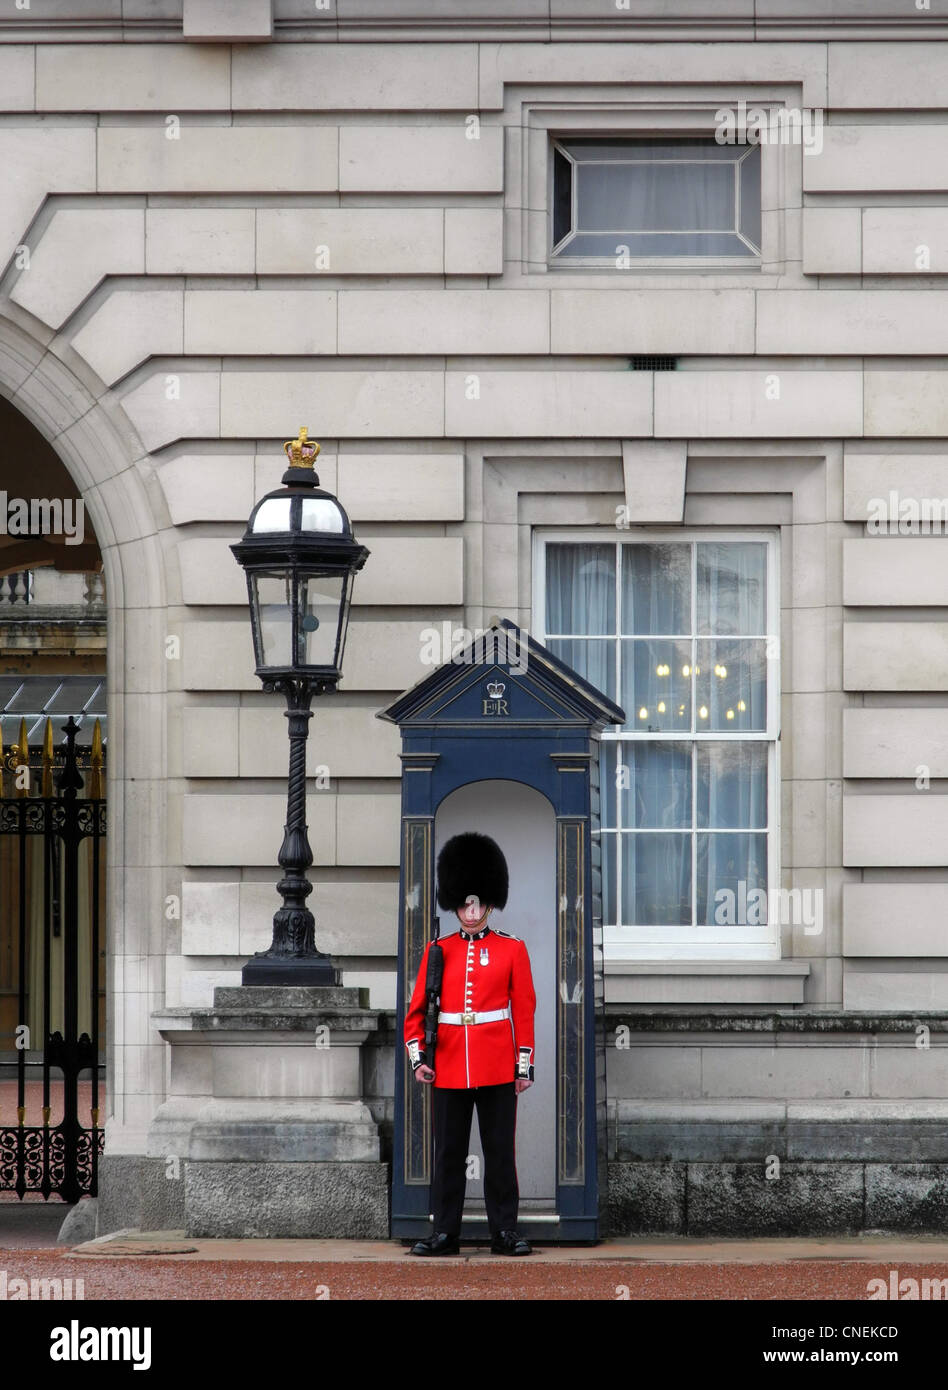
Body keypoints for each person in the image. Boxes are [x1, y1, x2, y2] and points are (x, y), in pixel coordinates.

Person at [403, 830, 536, 1256]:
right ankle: (445, 1233)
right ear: (456, 904)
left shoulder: (512, 949)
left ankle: (504, 1231)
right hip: (448, 1065)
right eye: (465, 903)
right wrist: (417, 1058)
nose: (472, 911)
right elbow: (417, 1011)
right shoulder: (438, 950)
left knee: (499, 1154)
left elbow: (524, 1010)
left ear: (490, 903)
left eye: (478, 903)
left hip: (497, 1065)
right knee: (449, 1155)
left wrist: (523, 1065)